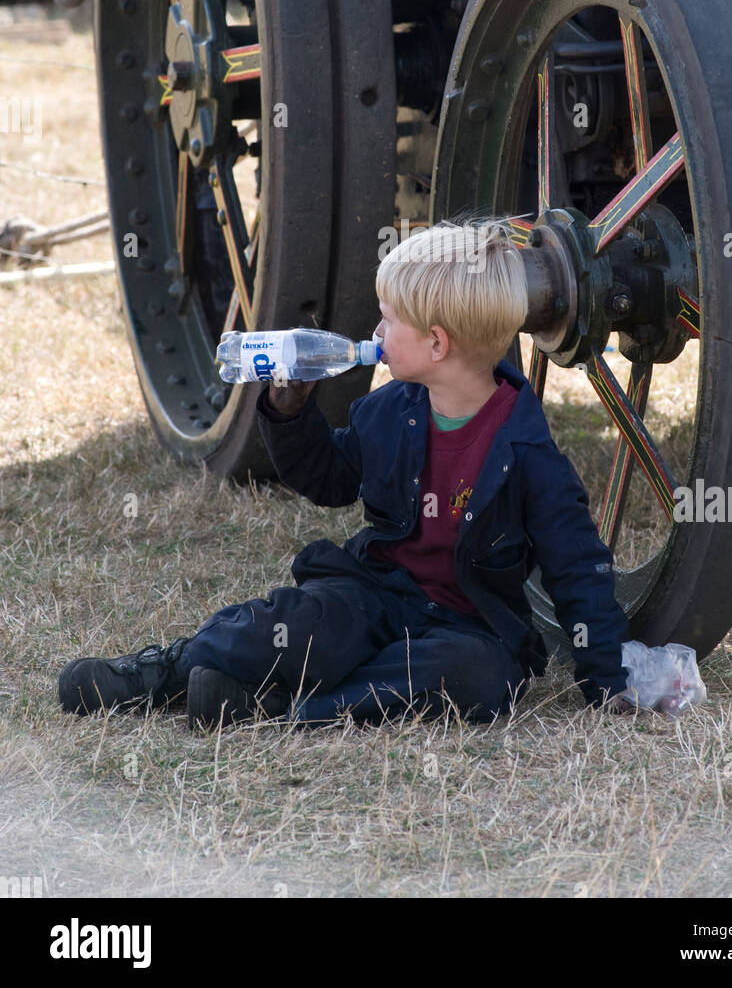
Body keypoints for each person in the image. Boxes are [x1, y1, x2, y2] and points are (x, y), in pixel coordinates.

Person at [58, 219, 633, 731]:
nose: (377, 334)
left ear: (437, 343)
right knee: (302, 622)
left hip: (467, 623)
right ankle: (171, 671)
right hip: (373, 593)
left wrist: (606, 680)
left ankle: (281, 707)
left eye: (389, 321)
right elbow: (330, 479)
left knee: (479, 678)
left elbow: (577, 566)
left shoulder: (528, 451)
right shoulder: (392, 409)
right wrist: (288, 413)